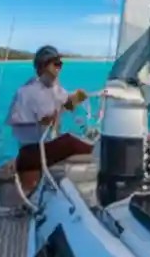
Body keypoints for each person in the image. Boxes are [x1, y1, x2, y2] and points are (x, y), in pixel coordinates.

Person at [6, 45, 93, 193]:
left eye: (60, 64)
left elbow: (64, 103)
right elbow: (27, 121)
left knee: (72, 141)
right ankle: (102, 153)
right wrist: (45, 119)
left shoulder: (54, 88)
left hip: (43, 149)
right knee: (71, 142)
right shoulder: (27, 92)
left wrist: (77, 98)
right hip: (32, 152)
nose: (59, 68)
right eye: (55, 63)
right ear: (42, 66)